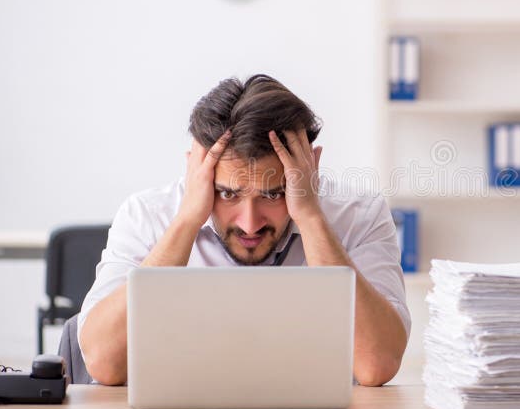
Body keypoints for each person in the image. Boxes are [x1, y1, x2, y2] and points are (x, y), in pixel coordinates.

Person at [78, 74, 410, 386]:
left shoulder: (359, 215)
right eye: (228, 193)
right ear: (197, 170)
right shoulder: (146, 215)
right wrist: (186, 222)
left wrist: (310, 217)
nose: (250, 223)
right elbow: (104, 363)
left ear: (310, 168)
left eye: (273, 194)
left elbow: (376, 365)